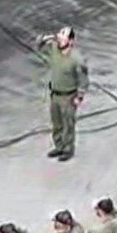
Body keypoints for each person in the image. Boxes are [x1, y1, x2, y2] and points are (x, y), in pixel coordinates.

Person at [38, 26, 88, 161]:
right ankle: (59, 146)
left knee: (68, 124)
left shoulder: (76, 59)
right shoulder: (54, 50)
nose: (59, 37)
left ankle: (68, 149)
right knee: (56, 123)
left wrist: (80, 96)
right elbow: (40, 47)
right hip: (55, 94)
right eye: (59, 34)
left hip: (69, 96)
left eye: (63, 35)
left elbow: (83, 79)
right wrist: (46, 38)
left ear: (71, 41)